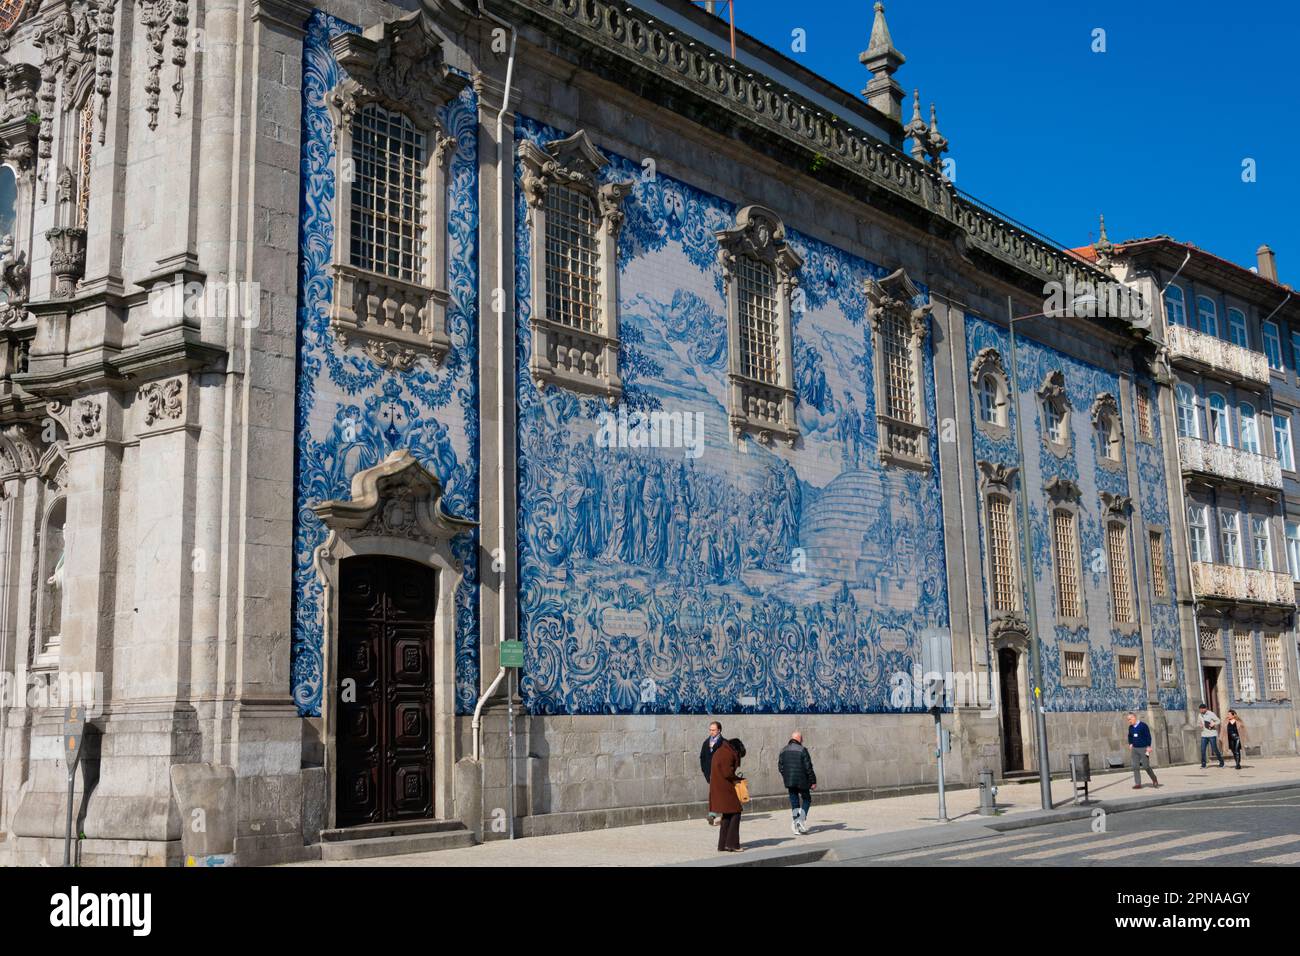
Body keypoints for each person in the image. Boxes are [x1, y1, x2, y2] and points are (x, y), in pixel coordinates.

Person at [778, 731, 817, 834]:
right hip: (802, 780)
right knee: (807, 799)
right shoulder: (802, 750)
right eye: (802, 738)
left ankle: (796, 824)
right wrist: (813, 781)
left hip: (790, 781)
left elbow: (780, 767)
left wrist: (786, 776)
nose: (803, 740)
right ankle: (800, 820)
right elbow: (808, 767)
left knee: (794, 802)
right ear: (799, 739)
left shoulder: (783, 750)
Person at [708, 736, 744, 852]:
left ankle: (722, 845)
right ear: (737, 749)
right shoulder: (727, 753)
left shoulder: (722, 751)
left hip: (719, 786)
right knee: (736, 812)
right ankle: (732, 844)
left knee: (727, 815)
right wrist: (737, 778)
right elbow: (728, 772)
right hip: (725, 787)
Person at [699, 721, 725, 825]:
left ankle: (724, 815)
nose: (711, 732)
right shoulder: (706, 743)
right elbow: (702, 757)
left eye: (713, 730)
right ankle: (712, 814)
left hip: (721, 774)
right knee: (713, 794)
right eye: (710, 730)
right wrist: (705, 771)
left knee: (722, 794)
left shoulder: (724, 743)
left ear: (719, 730)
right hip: (711, 774)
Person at [1125, 712, 1159, 789]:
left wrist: (1149, 746)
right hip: (1134, 749)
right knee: (1135, 766)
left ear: (1134, 717)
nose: (1129, 721)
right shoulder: (1130, 727)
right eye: (1128, 720)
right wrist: (1130, 743)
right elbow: (1129, 736)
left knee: (1146, 766)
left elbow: (1148, 737)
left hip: (1144, 749)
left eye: (1130, 719)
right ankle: (1138, 784)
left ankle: (1154, 779)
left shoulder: (1143, 726)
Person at [1198, 704, 1225, 768]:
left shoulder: (1211, 714)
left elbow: (1218, 720)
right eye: (1200, 709)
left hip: (1212, 734)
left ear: (1206, 708)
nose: (1201, 710)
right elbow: (1198, 722)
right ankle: (1203, 764)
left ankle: (1221, 762)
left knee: (1214, 749)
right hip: (1204, 734)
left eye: (1203, 709)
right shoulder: (1199, 715)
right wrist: (1200, 725)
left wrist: (1213, 724)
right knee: (1202, 749)